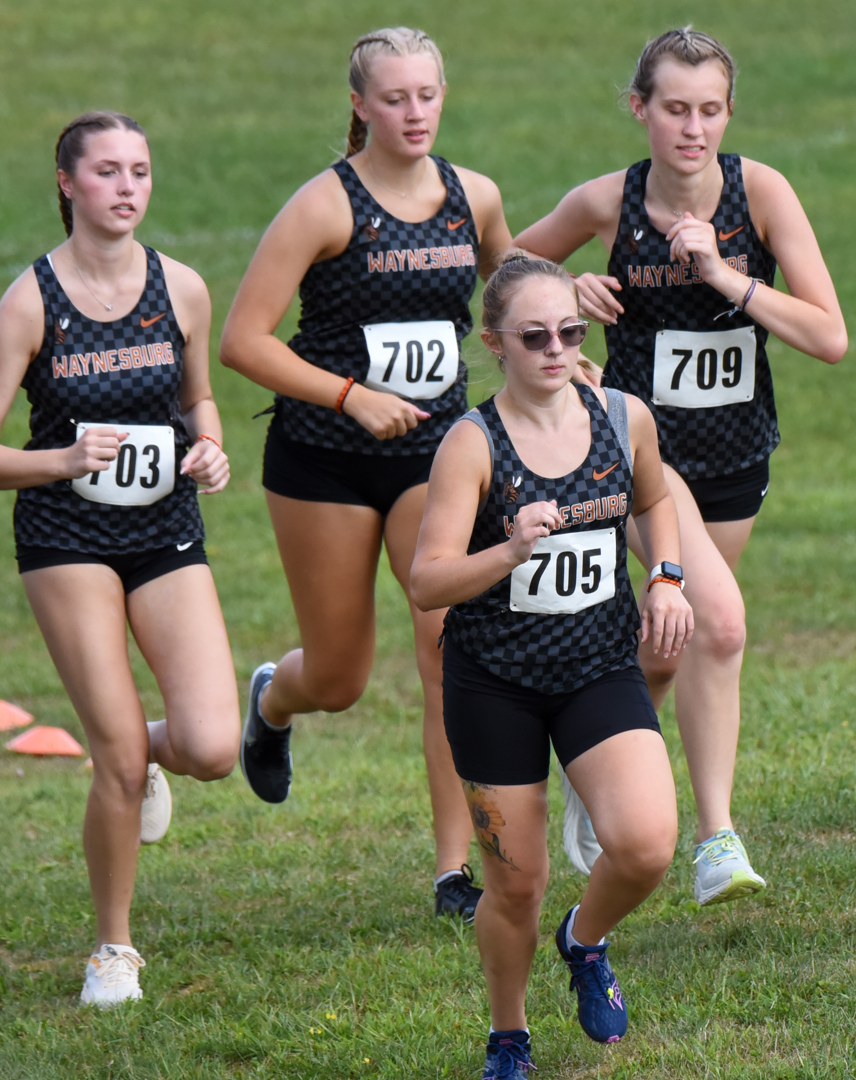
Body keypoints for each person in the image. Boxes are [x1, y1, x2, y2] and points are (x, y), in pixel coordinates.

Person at [514, 26, 847, 903]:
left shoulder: (761, 193)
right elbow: (507, 263)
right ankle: (716, 841)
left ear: (729, 113)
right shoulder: (606, 203)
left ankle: (603, 772)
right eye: (673, 109)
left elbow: (830, 336)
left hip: (736, 456)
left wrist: (727, 275)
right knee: (722, 624)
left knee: (672, 639)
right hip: (637, 454)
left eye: (708, 110)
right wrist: (566, 298)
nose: (691, 128)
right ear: (640, 110)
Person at [218, 27, 513, 921]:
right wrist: (349, 396)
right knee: (341, 677)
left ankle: (454, 872)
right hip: (326, 460)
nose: (414, 112)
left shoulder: (475, 197)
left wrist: (557, 341)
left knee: (447, 650)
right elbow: (242, 341)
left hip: (435, 453)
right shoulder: (324, 205)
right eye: (394, 98)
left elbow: (507, 295)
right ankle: (275, 700)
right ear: (359, 105)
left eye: (426, 94)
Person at [0, 111, 239, 1008]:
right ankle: (113, 950)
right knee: (112, 755)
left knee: (213, 746)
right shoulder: (31, 301)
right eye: (108, 171)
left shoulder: (181, 287)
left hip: (165, 530)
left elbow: (199, 400)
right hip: (65, 539)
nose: (127, 187)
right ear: (68, 183)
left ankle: (142, 755)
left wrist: (212, 449)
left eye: (141, 171)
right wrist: (63, 462)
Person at [409, 253, 692, 1076]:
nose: (557, 349)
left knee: (644, 846)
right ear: (495, 342)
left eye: (572, 331)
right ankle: (509, 1036)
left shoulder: (620, 416)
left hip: (597, 664)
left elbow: (654, 499)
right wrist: (508, 549)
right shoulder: (472, 444)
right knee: (516, 886)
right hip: (494, 682)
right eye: (535, 337)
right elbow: (429, 580)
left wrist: (667, 579)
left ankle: (585, 940)